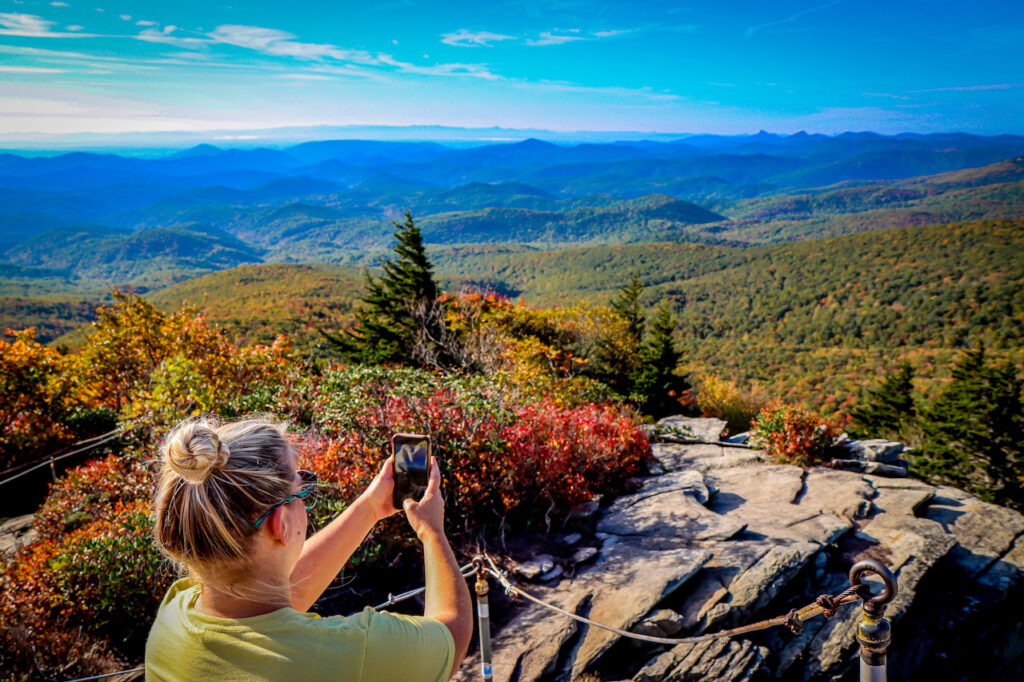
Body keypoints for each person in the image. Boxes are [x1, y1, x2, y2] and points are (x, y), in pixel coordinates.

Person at [145, 418, 472, 681]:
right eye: (301, 489)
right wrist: (432, 532)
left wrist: (371, 508)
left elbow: (274, 600)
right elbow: (452, 633)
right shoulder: (352, 654)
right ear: (281, 525)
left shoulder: (175, 615)